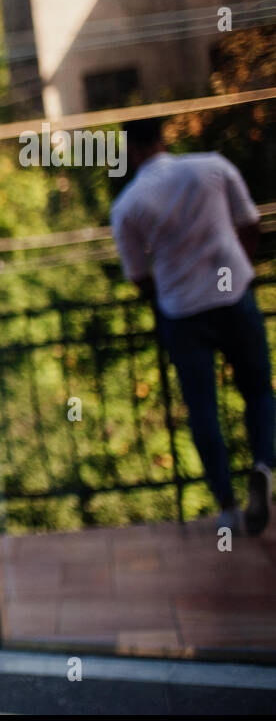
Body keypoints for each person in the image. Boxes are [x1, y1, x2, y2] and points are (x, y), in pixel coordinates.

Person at [111, 117, 272, 536]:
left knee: (202, 409)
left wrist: (165, 293)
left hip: (182, 312)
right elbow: (250, 224)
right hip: (235, 294)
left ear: (131, 150)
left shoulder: (128, 205)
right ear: (164, 138)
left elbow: (138, 277)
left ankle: (226, 505)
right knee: (257, 391)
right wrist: (241, 269)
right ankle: (262, 464)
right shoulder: (213, 167)